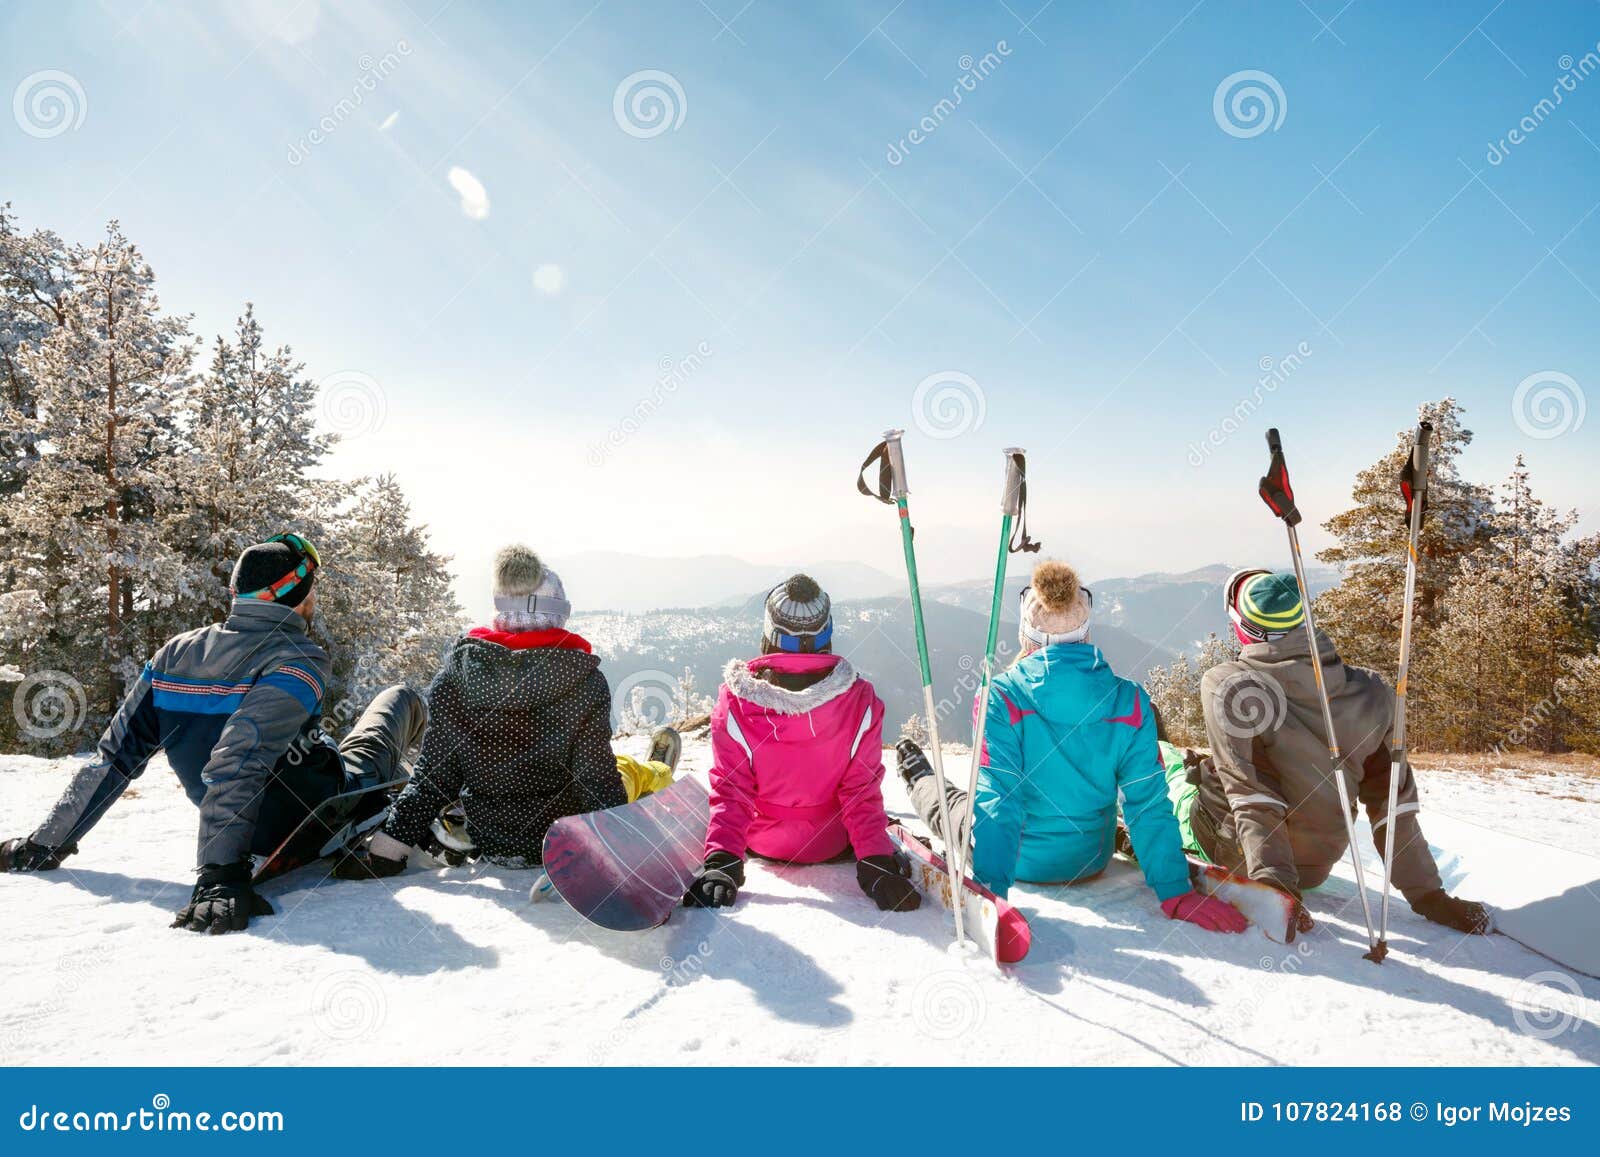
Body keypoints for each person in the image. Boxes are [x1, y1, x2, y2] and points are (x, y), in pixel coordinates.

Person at [0, 534, 427, 934]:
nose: (315, 598)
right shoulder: (297, 657)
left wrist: (46, 844)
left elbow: (115, 758)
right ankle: (436, 799)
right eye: (312, 588)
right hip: (320, 808)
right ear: (292, 594)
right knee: (402, 697)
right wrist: (219, 876)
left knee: (326, 740)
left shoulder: (174, 653)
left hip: (243, 825)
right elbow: (238, 759)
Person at [898, 559, 1247, 934]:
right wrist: (1175, 891)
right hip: (1090, 858)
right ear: (1085, 631)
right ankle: (1139, 850)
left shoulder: (1000, 697)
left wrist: (990, 895)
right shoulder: (1128, 701)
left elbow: (999, 800)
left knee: (952, 806)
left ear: (1027, 634)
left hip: (1020, 861)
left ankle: (918, 776)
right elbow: (1146, 802)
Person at [334, 545, 677, 877]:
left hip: (494, 839)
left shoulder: (455, 679)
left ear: (501, 614)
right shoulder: (583, 682)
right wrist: (625, 863)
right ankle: (659, 770)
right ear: (557, 616)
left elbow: (432, 778)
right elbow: (596, 783)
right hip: (563, 838)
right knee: (626, 771)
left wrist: (385, 852)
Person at [1181, 568, 1489, 935]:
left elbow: (1251, 795)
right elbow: (1393, 804)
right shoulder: (1373, 690)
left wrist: (1276, 888)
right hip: (1318, 864)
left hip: (1247, 857)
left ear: (1243, 628)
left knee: (1178, 782)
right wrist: (1430, 896)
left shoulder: (1227, 683)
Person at [684, 574, 920, 914]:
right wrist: (876, 861)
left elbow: (733, 791)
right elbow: (861, 792)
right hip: (834, 843)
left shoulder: (735, 704)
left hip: (762, 843)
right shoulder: (860, 701)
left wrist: (722, 863)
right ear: (826, 634)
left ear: (769, 633)